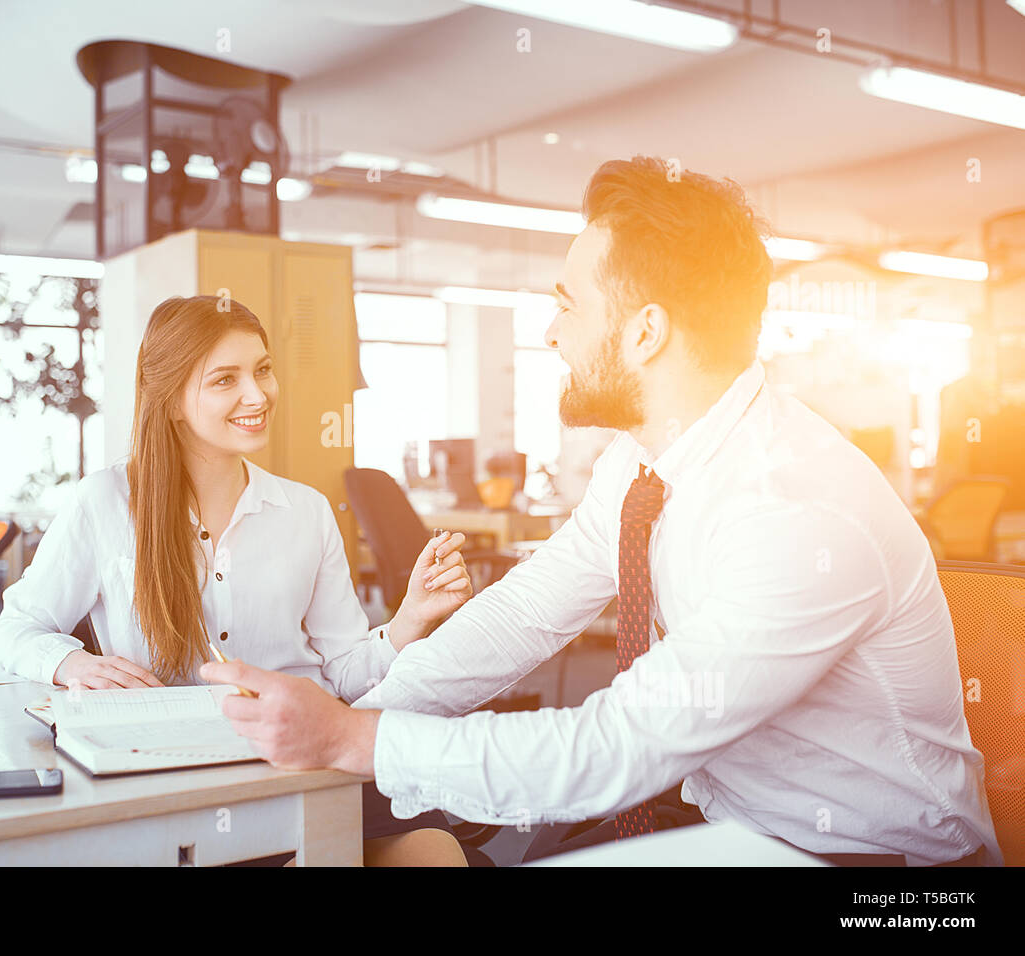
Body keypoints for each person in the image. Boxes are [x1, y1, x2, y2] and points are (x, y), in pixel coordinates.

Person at [201, 156, 1003, 867]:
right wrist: (353, 715)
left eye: (568, 305)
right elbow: (526, 613)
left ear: (645, 332)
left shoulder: (794, 512)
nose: (551, 332)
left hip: (874, 865)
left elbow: (618, 744)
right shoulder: (643, 461)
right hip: (726, 820)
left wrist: (352, 742)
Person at [0, 294, 473, 866]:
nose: (257, 394)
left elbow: (343, 670)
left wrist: (410, 618)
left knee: (435, 851)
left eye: (262, 370)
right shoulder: (104, 502)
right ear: (171, 402)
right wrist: (72, 664)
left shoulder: (306, 511)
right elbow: (16, 628)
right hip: (177, 773)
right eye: (225, 379)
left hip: (309, 751)